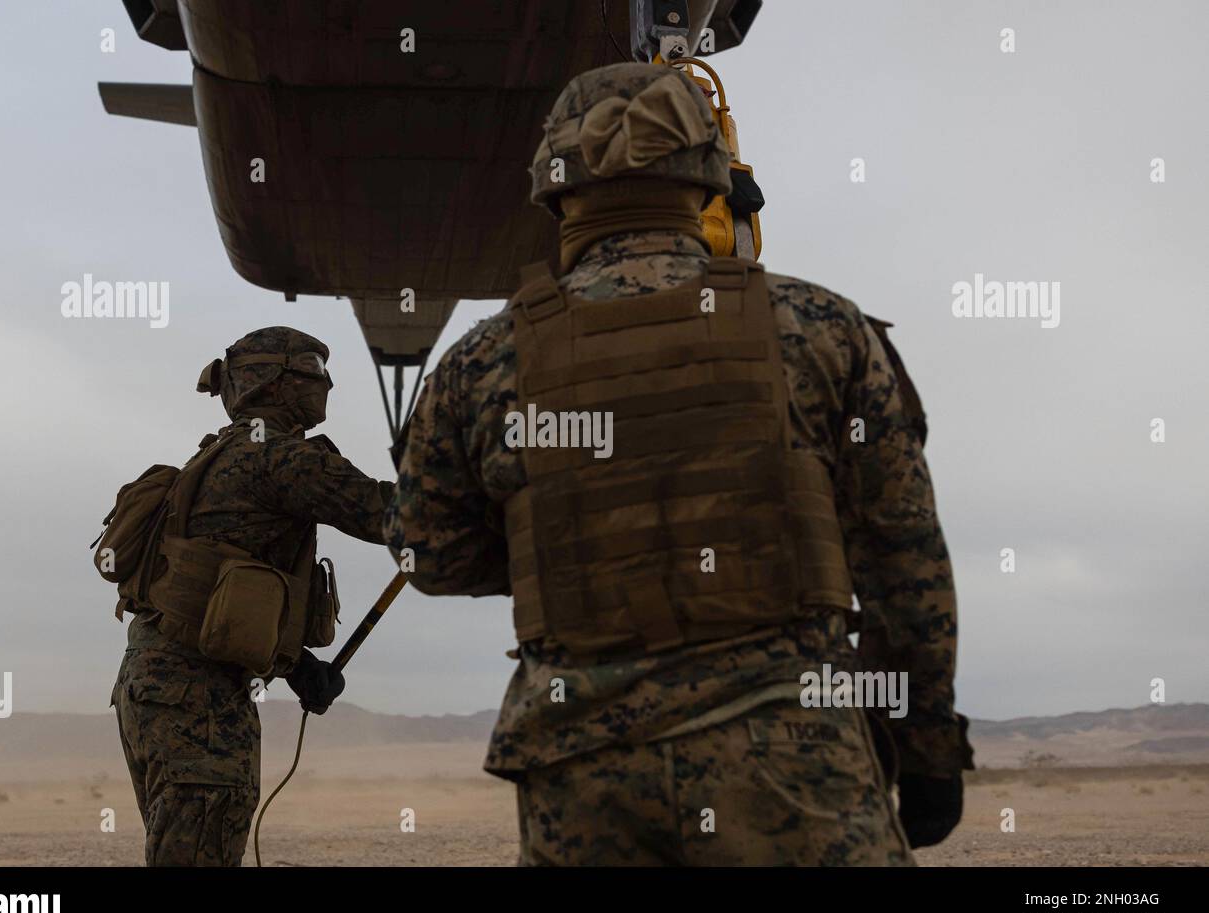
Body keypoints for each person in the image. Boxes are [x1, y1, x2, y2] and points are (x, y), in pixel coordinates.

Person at [385, 63, 972, 865]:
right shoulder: (820, 327)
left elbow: (429, 552)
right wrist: (929, 744)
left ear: (555, 191)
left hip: (582, 773)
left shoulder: (481, 364)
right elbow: (904, 561)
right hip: (791, 759)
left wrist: (566, 544)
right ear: (708, 177)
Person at [102, 326, 392, 866]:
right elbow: (388, 515)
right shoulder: (278, 457)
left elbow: (215, 597)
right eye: (313, 373)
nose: (325, 386)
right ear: (277, 384)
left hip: (161, 689)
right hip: (198, 704)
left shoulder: (225, 455)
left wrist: (296, 663)